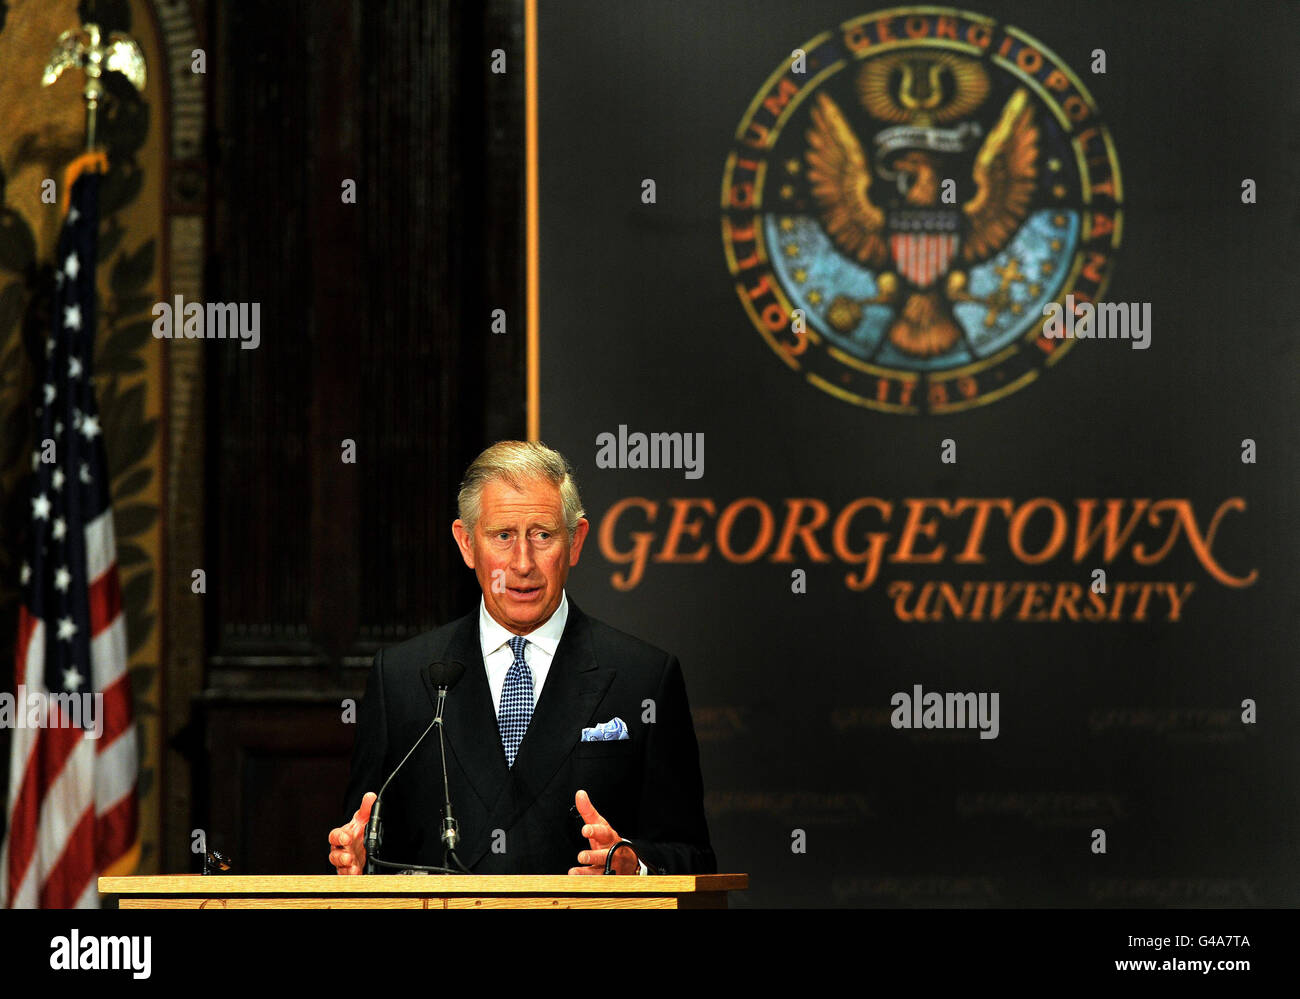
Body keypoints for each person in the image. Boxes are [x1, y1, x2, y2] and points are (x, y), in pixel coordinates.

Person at [327, 440, 714, 875]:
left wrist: (633, 866)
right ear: (467, 543)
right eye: (503, 536)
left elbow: (692, 856)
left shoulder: (644, 678)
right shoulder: (400, 678)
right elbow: (363, 844)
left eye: (542, 535)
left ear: (576, 541)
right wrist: (356, 865)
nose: (523, 563)